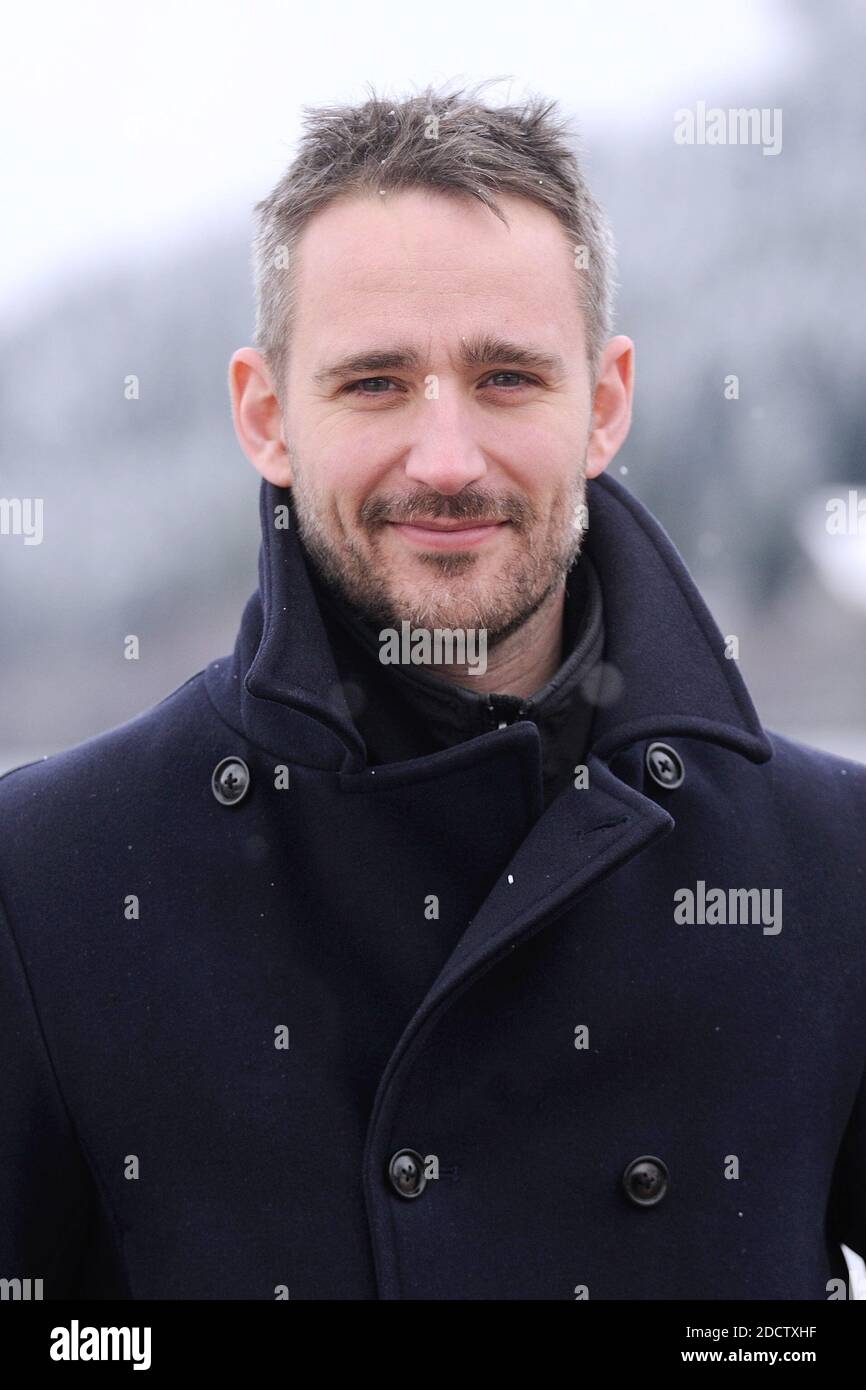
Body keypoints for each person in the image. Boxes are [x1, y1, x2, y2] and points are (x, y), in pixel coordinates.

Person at [1, 81, 864, 1301]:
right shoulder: (51, 879)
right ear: (266, 415)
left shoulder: (826, 868)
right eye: (374, 383)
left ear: (604, 404)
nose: (446, 459)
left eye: (507, 377)